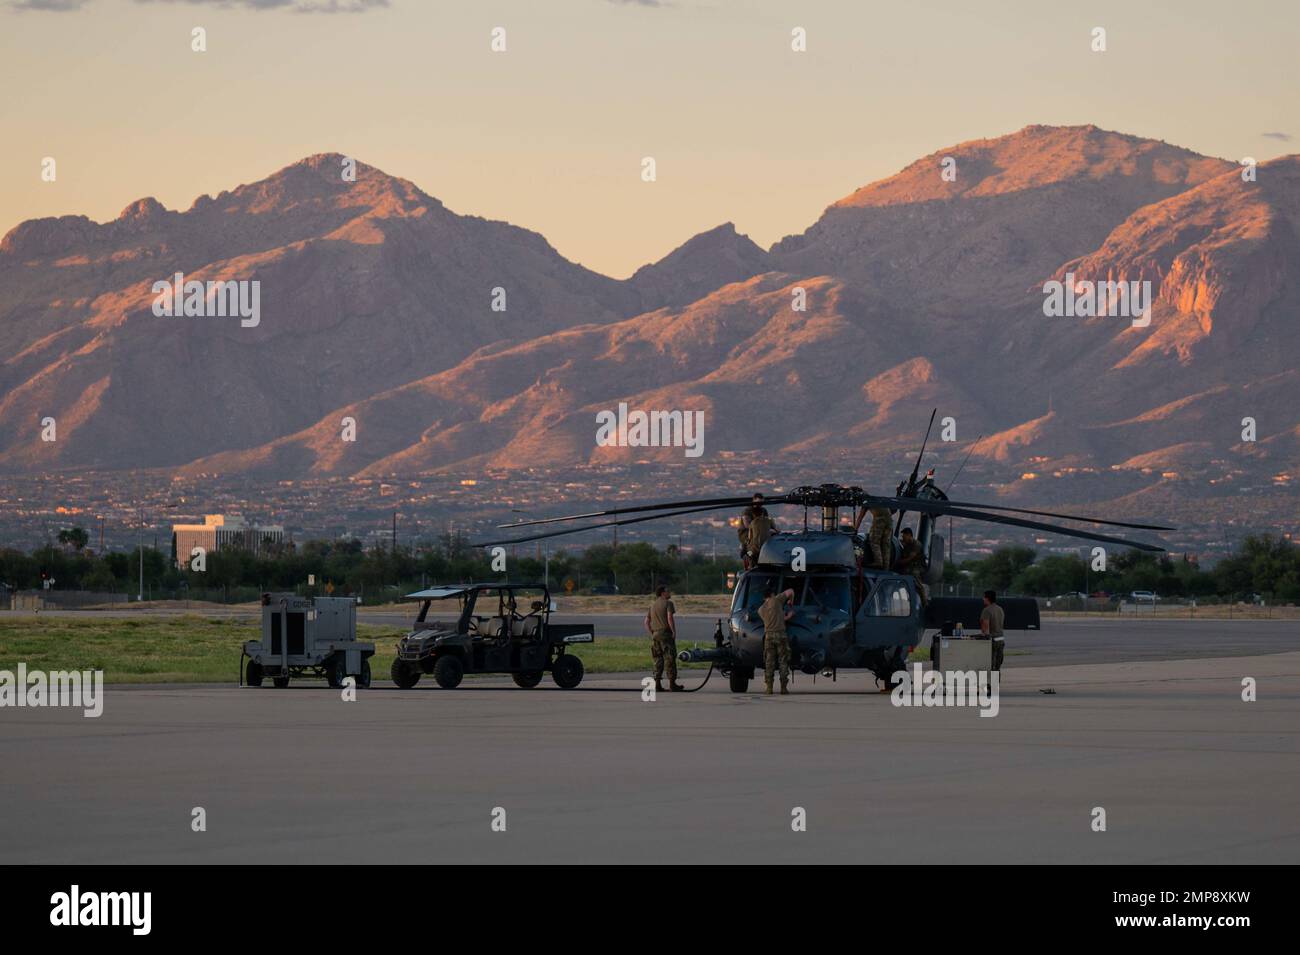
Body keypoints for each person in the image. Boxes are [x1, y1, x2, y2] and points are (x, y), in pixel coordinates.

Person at [757, 582, 795, 695]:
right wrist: (790, 602)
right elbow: (791, 591)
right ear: (772, 593)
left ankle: (769, 688)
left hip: (768, 636)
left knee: (769, 662)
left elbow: (775, 618)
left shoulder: (761, 610)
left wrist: (786, 617)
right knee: (783, 661)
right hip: (781, 635)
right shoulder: (777, 600)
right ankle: (783, 688)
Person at [645, 585, 683, 692]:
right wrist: (674, 631)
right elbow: (669, 617)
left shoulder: (652, 605)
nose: (669, 592)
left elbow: (646, 622)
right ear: (662, 593)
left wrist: (652, 633)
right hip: (665, 634)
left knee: (658, 659)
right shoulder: (668, 603)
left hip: (655, 635)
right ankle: (672, 683)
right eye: (667, 591)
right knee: (670, 658)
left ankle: (657, 683)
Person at [737, 494, 772, 569]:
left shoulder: (763, 511)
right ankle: (746, 552)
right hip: (746, 534)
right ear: (753, 500)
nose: (759, 505)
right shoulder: (747, 511)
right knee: (750, 551)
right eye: (758, 503)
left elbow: (766, 522)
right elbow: (747, 525)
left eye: (761, 503)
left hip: (759, 534)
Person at [896, 527, 928, 606]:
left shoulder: (916, 544)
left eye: (904, 536)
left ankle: (925, 602)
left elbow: (909, 559)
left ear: (909, 535)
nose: (903, 538)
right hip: (909, 565)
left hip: (918, 566)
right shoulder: (906, 543)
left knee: (915, 575)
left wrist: (897, 563)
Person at [980, 589, 1006, 670]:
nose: (983, 599)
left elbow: (986, 629)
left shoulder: (987, 610)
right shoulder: (1000, 609)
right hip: (1001, 639)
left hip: (993, 641)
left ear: (987, 598)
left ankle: (990, 682)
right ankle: (996, 682)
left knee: (991, 665)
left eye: (984, 597)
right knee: (998, 665)